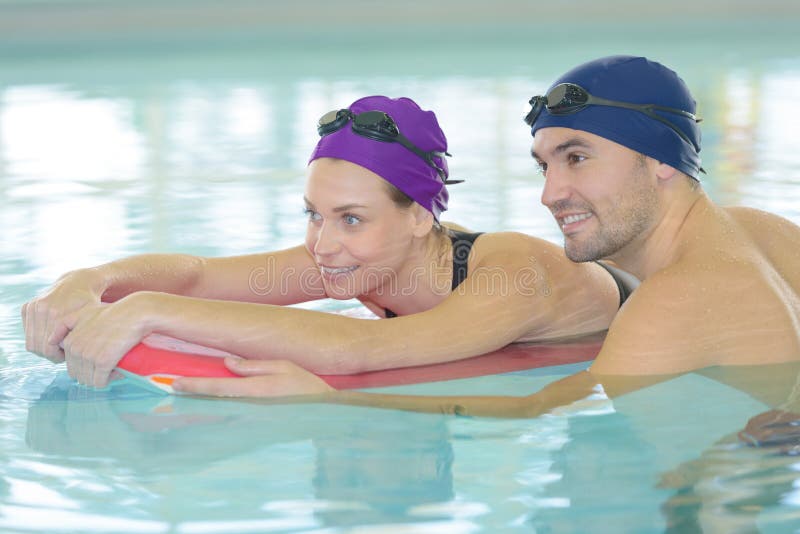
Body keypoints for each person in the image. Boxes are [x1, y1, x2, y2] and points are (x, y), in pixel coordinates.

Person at [163, 56, 800, 414]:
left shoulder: (665, 307)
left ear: (661, 161)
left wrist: (330, 403)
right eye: (544, 165)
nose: (549, 194)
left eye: (577, 158)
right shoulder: (757, 233)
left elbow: (551, 407)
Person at [22, 95, 633, 389]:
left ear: (420, 217)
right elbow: (197, 276)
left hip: (647, 314)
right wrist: (86, 282)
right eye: (313, 214)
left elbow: (356, 349)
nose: (322, 243)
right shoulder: (354, 260)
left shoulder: (512, 274)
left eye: (351, 218)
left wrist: (145, 310)